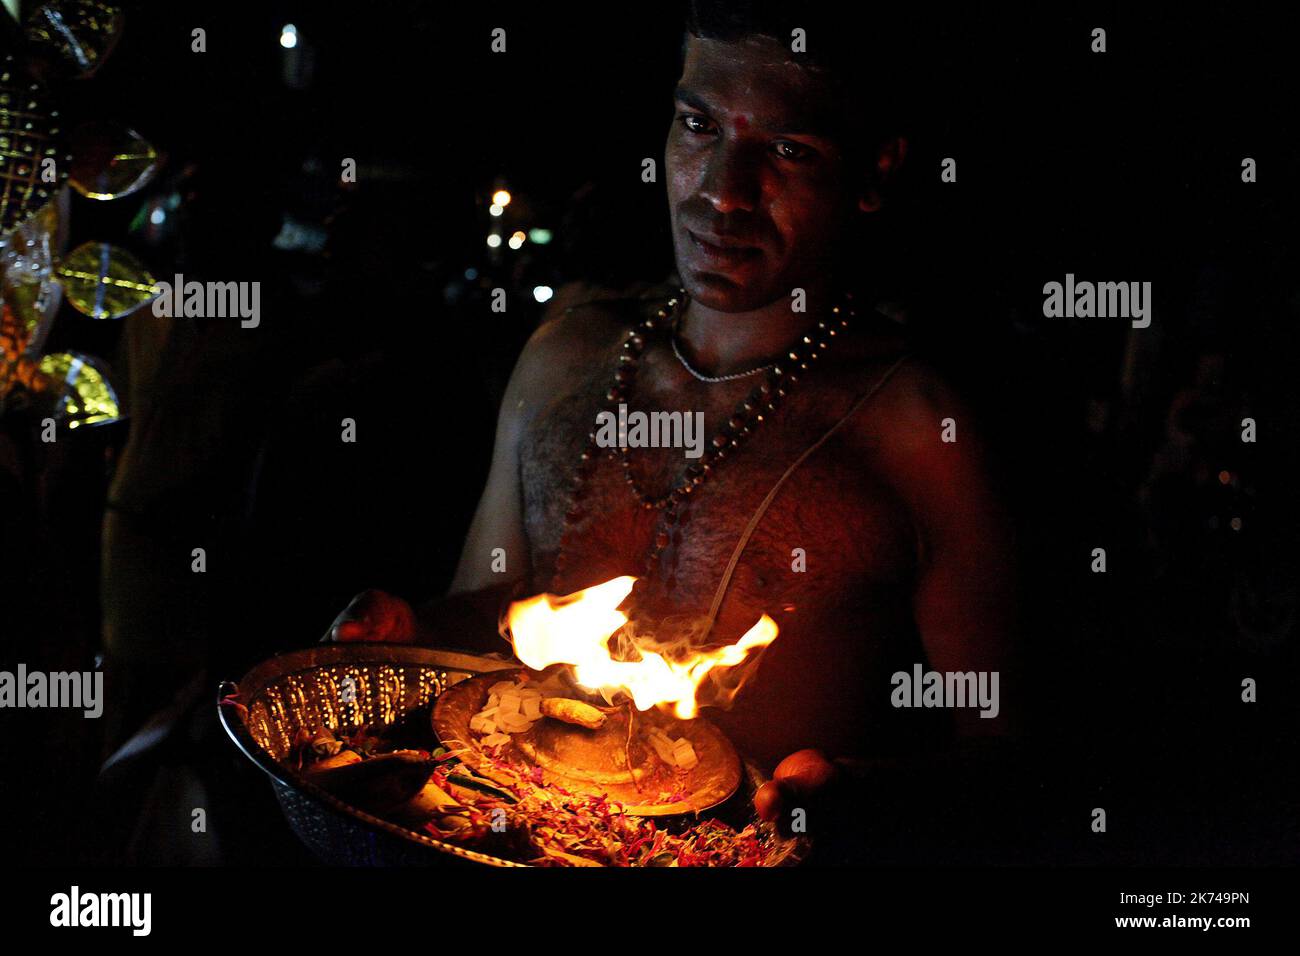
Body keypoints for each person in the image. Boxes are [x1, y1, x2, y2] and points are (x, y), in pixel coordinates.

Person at [326, 2, 1020, 855]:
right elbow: (480, 631)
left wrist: (857, 799)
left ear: (875, 172)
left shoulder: (917, 426)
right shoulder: (564, 357)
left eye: (790, 150)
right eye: (699, 126)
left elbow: (1012, 762)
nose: (725, 190)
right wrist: (408, 635)